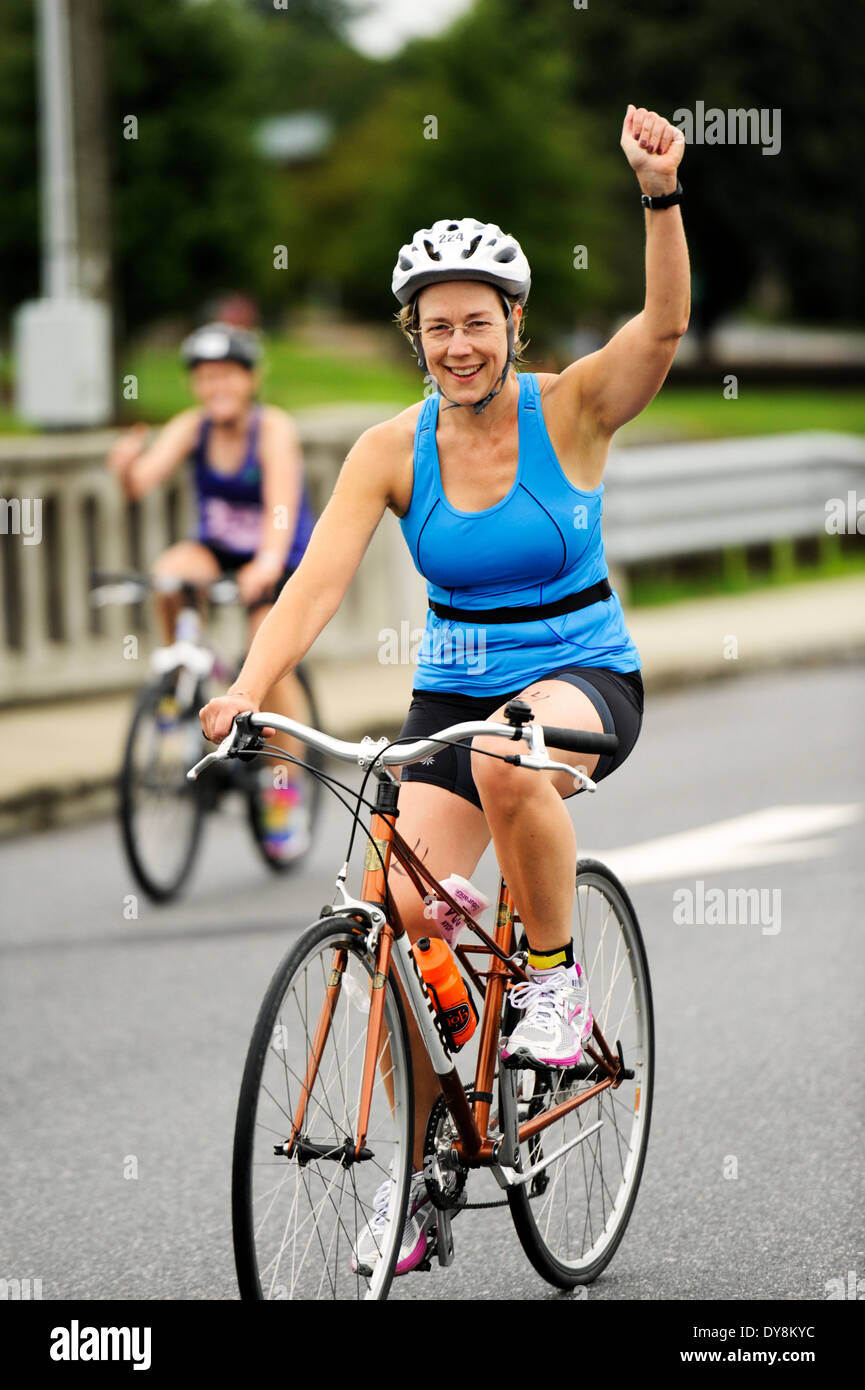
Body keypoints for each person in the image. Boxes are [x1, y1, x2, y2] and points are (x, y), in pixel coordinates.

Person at [200, 104, 689, 1271]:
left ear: (514, 324)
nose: (457, 344)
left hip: (578, 679)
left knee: (510, 757)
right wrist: (243, 689)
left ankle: (557, 991)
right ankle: (428, 1165)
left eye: (477, 323)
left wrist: (658, 196)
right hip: (449, 695)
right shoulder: (388, 448)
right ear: (411, 338)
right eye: (436, 329)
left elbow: (664, 326)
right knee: (389, 915)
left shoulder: (569, 409)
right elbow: (314, 586)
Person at [108, 322, 317, 858]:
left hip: (280, 553)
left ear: (250, 379)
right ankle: (182, 677)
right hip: (219, 548)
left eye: (226, 375)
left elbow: (280, 505)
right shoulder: (193, 426)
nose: (215, 387)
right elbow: (143, 482)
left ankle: (285, 790)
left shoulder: (272, 429)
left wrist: (268, 562)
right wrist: (127, 470)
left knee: (266, 653)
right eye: (204, 377)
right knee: (169, 571)